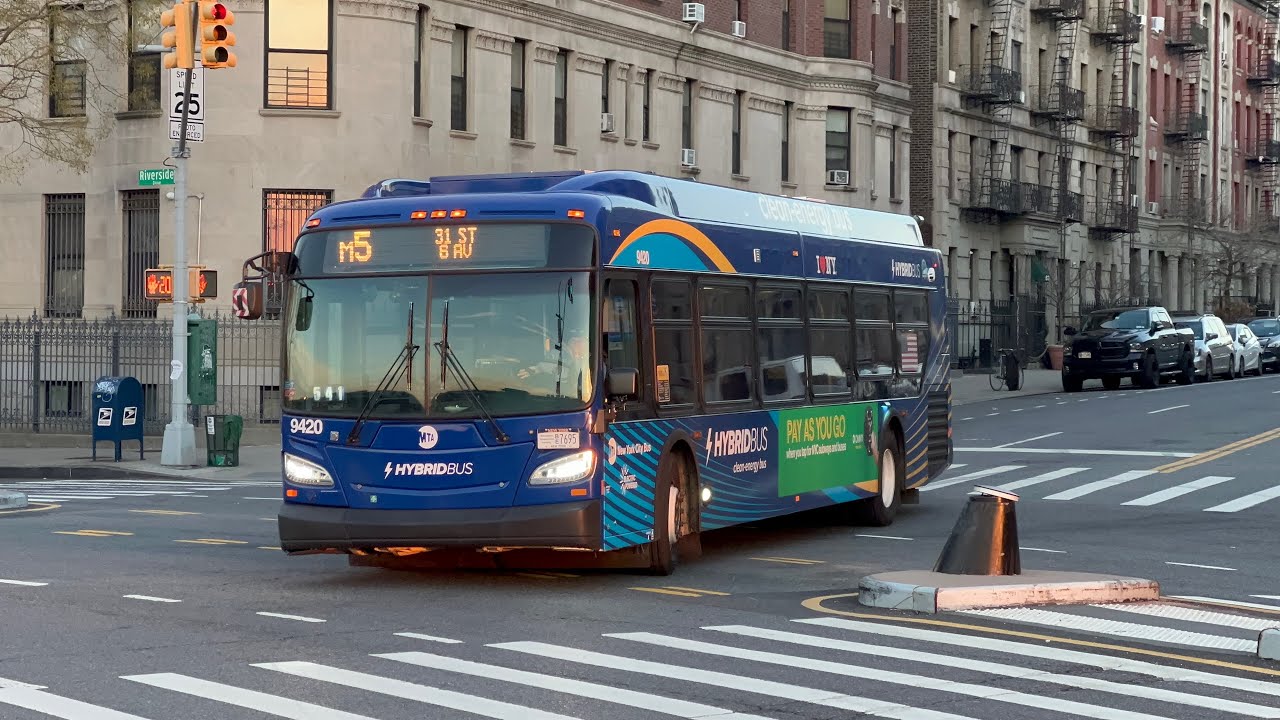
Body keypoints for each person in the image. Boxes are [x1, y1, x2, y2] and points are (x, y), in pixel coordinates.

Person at [517, 328, 592, 398]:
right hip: (557, 393)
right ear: (575, 342)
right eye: (582, 342)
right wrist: (533, 370)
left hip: (572, 395)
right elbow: (543, 366)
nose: (585, 345)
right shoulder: (557, 355)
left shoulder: (582, 360)